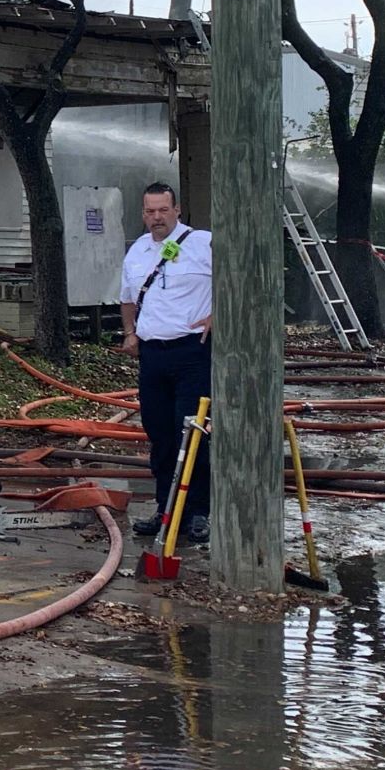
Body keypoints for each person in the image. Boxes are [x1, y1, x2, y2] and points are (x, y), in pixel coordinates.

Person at [119, 182, 214, 546]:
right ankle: (165, 508)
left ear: (177, 210)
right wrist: (130, 333)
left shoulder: (203, 243)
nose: (156, 218)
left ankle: (198, 513)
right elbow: (128, 297)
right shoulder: (138, 252)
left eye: (163, 210)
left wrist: (217, 314)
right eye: (150, 211)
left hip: (192, 351)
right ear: (143, 214)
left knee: (191, 432)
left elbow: (238, 277)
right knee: (159, 433)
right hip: (153, 355)